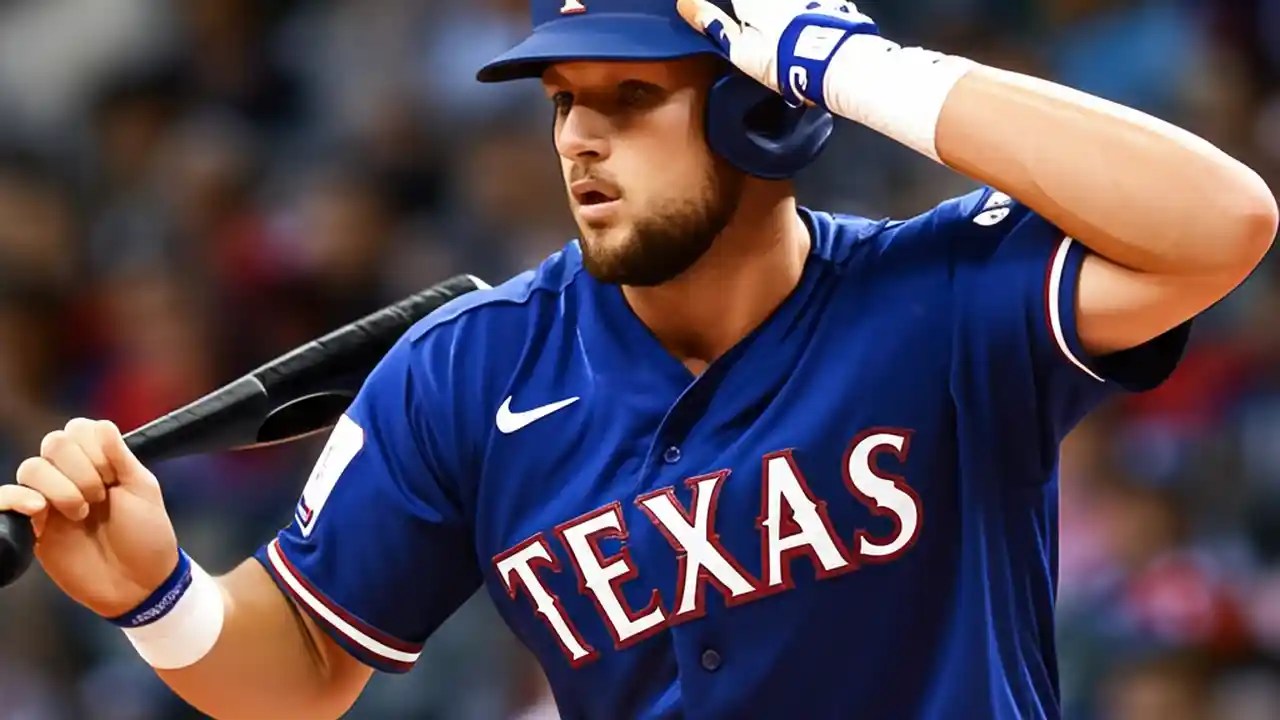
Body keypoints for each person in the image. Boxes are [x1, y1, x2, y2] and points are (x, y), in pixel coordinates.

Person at [3, 1, 1276, 718]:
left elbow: (1219, 223)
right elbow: (302, 668)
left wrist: (846, 64)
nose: (577, 142)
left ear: (763, 112)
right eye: (562, 100)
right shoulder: (467, 368)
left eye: (627, 98)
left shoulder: (937, 296)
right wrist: (159, 597)